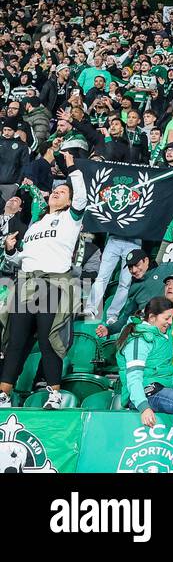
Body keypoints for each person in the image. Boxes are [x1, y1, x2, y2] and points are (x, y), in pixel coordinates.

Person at [0, 152, 85, 409]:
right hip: (26, 284)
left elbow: (81, 195)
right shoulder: (35, 226)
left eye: (62, 192)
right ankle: (4, 394)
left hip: (52, 284)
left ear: (70, 201)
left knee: (49, 341)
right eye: (55, 191)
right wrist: (11, 250)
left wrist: (71, 167)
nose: (57, 193)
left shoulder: (71, 219)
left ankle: (54, 395)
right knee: (16, 342)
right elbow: (22, 260)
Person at [115, 296, 173, 471]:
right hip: (145, 393)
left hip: (160, 388)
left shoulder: (161, 332)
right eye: (166, 318)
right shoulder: (139, 340)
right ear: (152, 318)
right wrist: (143, 406)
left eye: (172, 317)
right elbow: (134, 378)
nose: (170, 322)